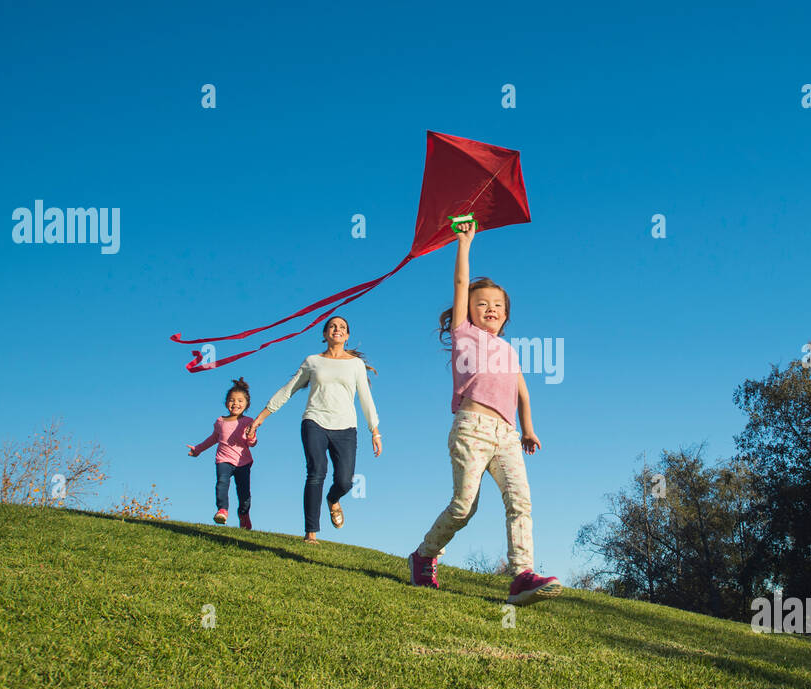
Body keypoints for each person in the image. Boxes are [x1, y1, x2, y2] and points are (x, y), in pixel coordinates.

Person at [408, 222, 562, 606]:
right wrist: (465, 243)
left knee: (520, 501)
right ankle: (424, 555)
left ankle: (522, 575)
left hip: (506, 435)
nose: (490, 308)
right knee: (464, 507)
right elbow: (461, 284)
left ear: (506, 315)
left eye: (497, 305)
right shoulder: (465, 335)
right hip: (471, 429)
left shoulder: (510, 351)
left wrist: (528, 429)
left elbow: (522, 393)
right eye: (482, 304)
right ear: (470, 313)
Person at [246, 316, 381, 543]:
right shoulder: (312, 361)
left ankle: (333, 499)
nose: (337, 329)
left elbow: (366, 398)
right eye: (332, 326)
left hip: (346, 427)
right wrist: (260, 417)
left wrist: (374, 431)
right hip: (314, 421)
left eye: (342, 327)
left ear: (347, 336)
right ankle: (311, 532)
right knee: (316, 471)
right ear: (325, 334)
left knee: (345, 481)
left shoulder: (355, 365)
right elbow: (288, 390)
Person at [187, 377, 258, 529]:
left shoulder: (248, 421)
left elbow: (252, 443)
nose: (235, 404)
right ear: (226, 403)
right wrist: (197, 450)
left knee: (244, 492)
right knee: (222, 484)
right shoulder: (220, 421)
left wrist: (251, 436)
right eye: (232, 400)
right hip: (223, 459)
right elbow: (213, 439)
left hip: (243, 462)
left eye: (240, 401)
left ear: (246, 404)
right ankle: (222, 510)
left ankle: (244, 514)